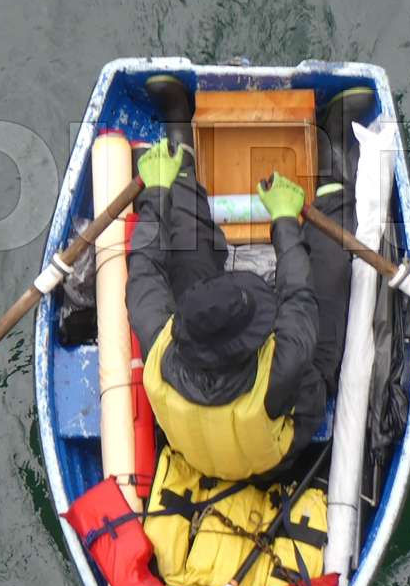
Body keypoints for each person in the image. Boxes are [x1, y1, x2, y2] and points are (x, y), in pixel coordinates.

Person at [126, 100, 355, 482]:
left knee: (179, 248)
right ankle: (333, 178)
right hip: (273, 455)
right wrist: (284, 217)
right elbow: (300, 294)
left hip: (198, 455)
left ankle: (178, 164)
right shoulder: (283, 366)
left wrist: (157, 194)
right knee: (328, 275)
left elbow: (143, 268)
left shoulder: (159, 348)